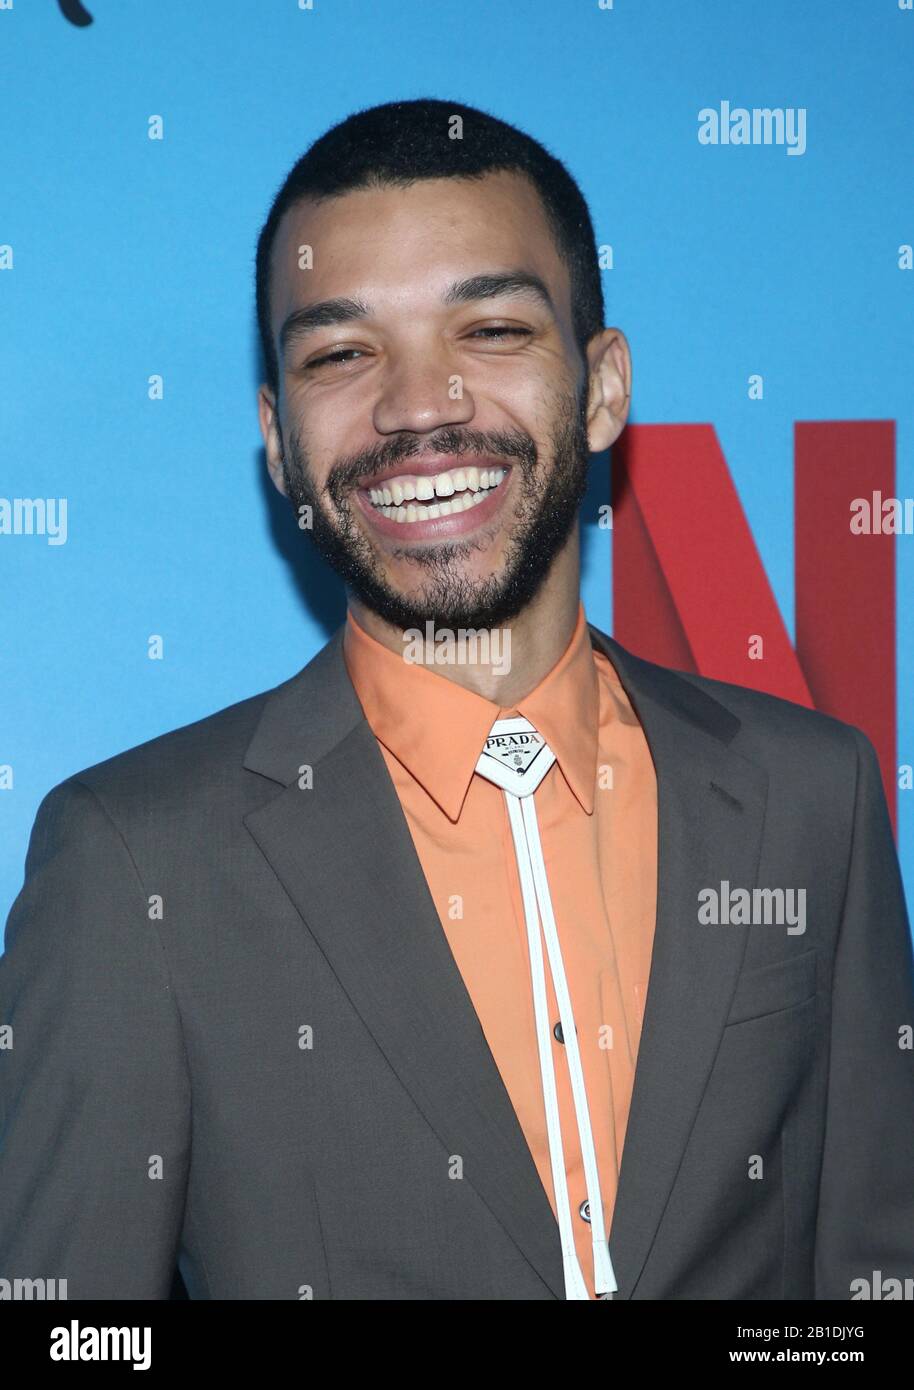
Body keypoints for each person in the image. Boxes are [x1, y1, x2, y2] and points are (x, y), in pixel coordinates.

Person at [2, 98, 912, 1301]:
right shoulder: (136, 860)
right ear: (276, 439)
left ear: (599, 389)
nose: (419, 405)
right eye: (340, 352)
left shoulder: (813, 793)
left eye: (487, 329)